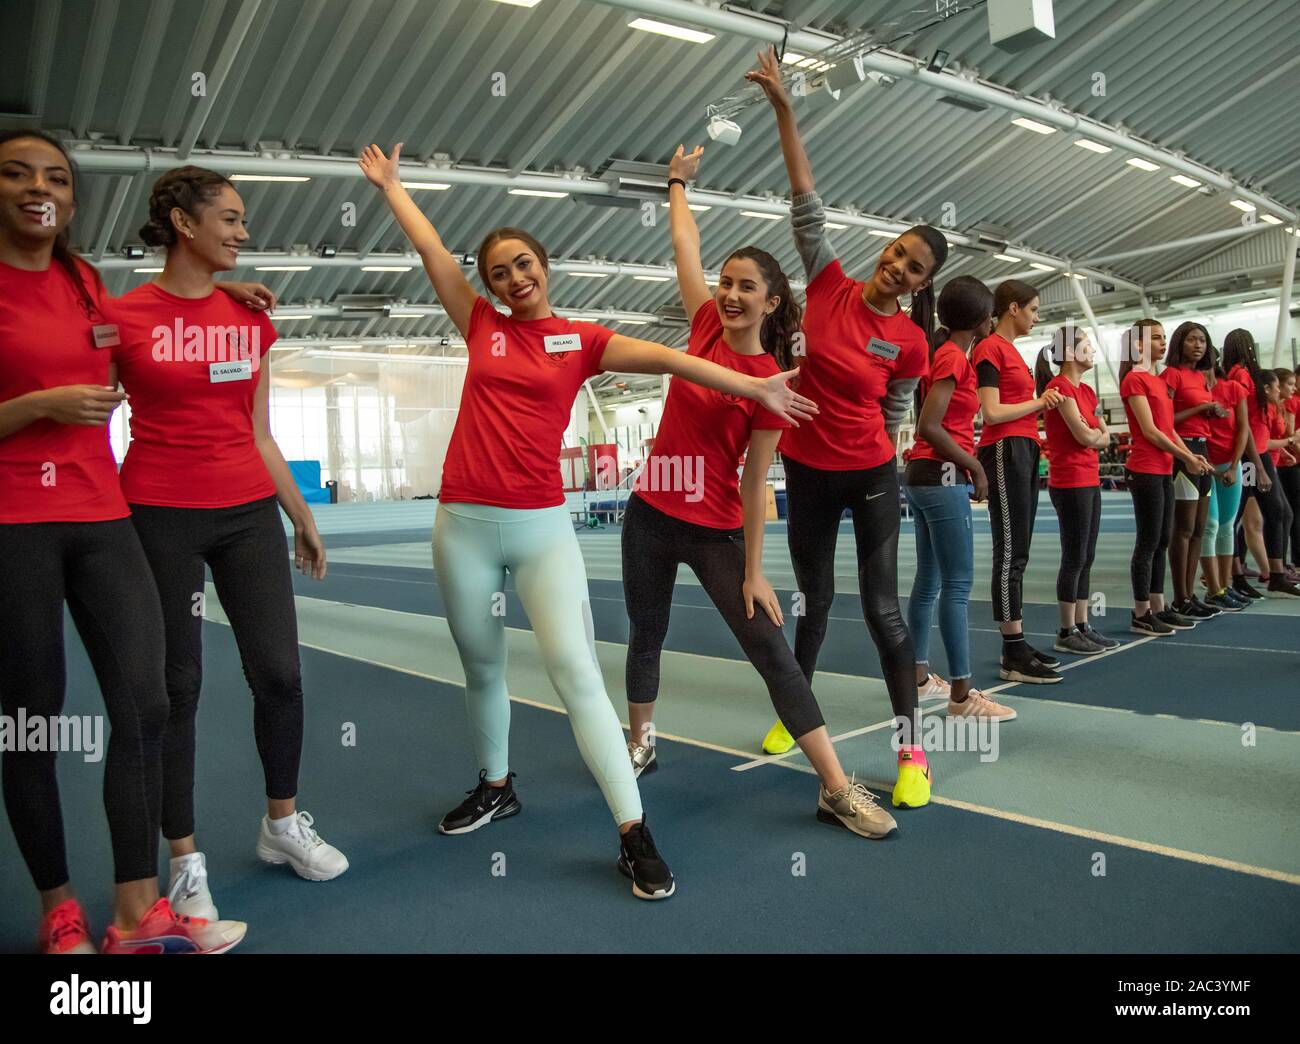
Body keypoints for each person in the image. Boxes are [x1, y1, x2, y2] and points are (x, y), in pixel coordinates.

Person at [359, 141, 816, 898]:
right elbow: (431, 249)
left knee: (575, 673)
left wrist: (753, 390)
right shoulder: (479, 324)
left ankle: (634, 833)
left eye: (524, 263)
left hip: (539, 527)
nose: (514, 277)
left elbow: (673, 362)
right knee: (481, 664)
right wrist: (393, 187)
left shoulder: (584, 340)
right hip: (463, 523)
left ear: (546, 267)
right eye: (499, 270)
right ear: (492, 284)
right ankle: (497, 784)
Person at [0, 129, 246, 953]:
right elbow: (58, 395)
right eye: (16, 173)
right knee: (31, 719)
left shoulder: (82, 283)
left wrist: (227, 298)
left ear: (72, 200)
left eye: (57, 178)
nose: (40, 187)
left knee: (147, 704)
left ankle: (138, 911)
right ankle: (57, 908)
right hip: (14, 525)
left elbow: (146, 328)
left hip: (103, 516)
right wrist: (36, 408)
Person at [620, 144, 896, 839]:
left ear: (772, 302)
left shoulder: (776, 383)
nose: (730, 293)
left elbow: (754, 478)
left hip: (713, 528)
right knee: (645, 634)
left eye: (747, 286)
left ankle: (835, 788)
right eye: (727, 281)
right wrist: (678, 183)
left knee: (771, 651)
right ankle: (642, 740)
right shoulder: (704, 326)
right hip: (649, 514)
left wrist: (751, 569)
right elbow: (685, 248)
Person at [112, 165, 350, 923]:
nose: (245, 233)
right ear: (184, 223)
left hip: (247, 512)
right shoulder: (124, 318)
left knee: (279, 675)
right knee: (176, 691)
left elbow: (259, 433)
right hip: (158, 514)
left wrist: (300, 516)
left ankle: (282, 824)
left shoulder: (250, 319)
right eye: (232, 218)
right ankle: (184, 861)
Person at [749, 46, 947, 809]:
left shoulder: (911, 342)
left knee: (881, 611)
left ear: (921, 286)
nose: (899, 268)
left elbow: (896, 417)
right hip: (805, 471)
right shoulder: (828, 279)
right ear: (886, 249)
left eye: (915, 269)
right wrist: (785, 109)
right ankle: (792, 715)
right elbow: (807, 201)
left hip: (869, 477)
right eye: (899, 253)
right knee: (812, 602)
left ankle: (912, 752)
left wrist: (882, 456)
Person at [903, 275, 1015, 721]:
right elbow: (929, 426)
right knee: (957, 585)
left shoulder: (944, 352)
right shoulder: (953, 359)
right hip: (940, 476)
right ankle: (962, 695)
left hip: (923, 475)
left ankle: (918, 677)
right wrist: (975, 464)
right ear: (983, 318)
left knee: (929, 581)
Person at [974, 281, 1066, 682]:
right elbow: (991, 412)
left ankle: (1017, 641)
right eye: (1032, 309)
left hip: (1025, 448)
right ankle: (1012, 652)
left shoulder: (1014, 353)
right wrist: (1041, 402)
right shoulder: (990, 348)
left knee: (1021, 550)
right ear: (1012, 308)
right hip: (1003, 448)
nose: (1036, 316)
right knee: (1010, 549)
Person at [1119, 319, 1212, 635]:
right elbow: (1149, 430)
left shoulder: (1158, 380)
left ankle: (1159, 607)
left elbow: (1169, 426)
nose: (1163, 343)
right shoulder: (1135, 380)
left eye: (1163, 337)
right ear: (1139, 345)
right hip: (1144, 469)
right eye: (1156, 338)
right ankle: (1141, 612)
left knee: (1162, 539)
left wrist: (1190, 453)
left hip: (1162, 468)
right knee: (1147, 542)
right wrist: (1185, 455)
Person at [1033, 325, 1118, 654]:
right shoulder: (1059, 387)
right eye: (1088, 346)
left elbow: (1104, 435)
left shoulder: (1088, 393)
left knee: (1087, 556)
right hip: (1069, 482)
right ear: (1070, 352)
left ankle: (1082, 624)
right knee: (1074, 556)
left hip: (1090, 479)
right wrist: (1093, 435)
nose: (1093, 351)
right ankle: (1066, 630)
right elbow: (1086, 437)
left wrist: (1094, 434)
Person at [1223, 329, 1299, 597]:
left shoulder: (1242, 375)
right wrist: (1258, 466)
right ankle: (1239, 574)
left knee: (1275, 513)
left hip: (1256, 453)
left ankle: (1273, 573)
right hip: (1250, 454)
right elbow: (1244, 425)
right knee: (1236, 518)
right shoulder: (1241, 375)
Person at [1161, 322, 1223, 619]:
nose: (1199, 345)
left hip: (1203, 449)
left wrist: (1212, 411)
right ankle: (1180, 597)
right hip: (1182, 451)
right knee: (1183, 529)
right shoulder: (1171, 375)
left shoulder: (1200, 377)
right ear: (1179, 344)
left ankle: (1190, 595)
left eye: (1203, 340)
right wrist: (1201, 409)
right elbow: (1165, 417)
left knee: (1199, 528)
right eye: (1192, 340)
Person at [1198, 348, 1252, 611]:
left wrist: (1233, 465)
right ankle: (1214, 589)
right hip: (1203, 466)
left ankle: (1224, 585)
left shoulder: (1233, 389)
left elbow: (1244, 429)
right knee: (1210, 526)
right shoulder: (1193, 393)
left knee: (1227, 527)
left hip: (1229, 466)